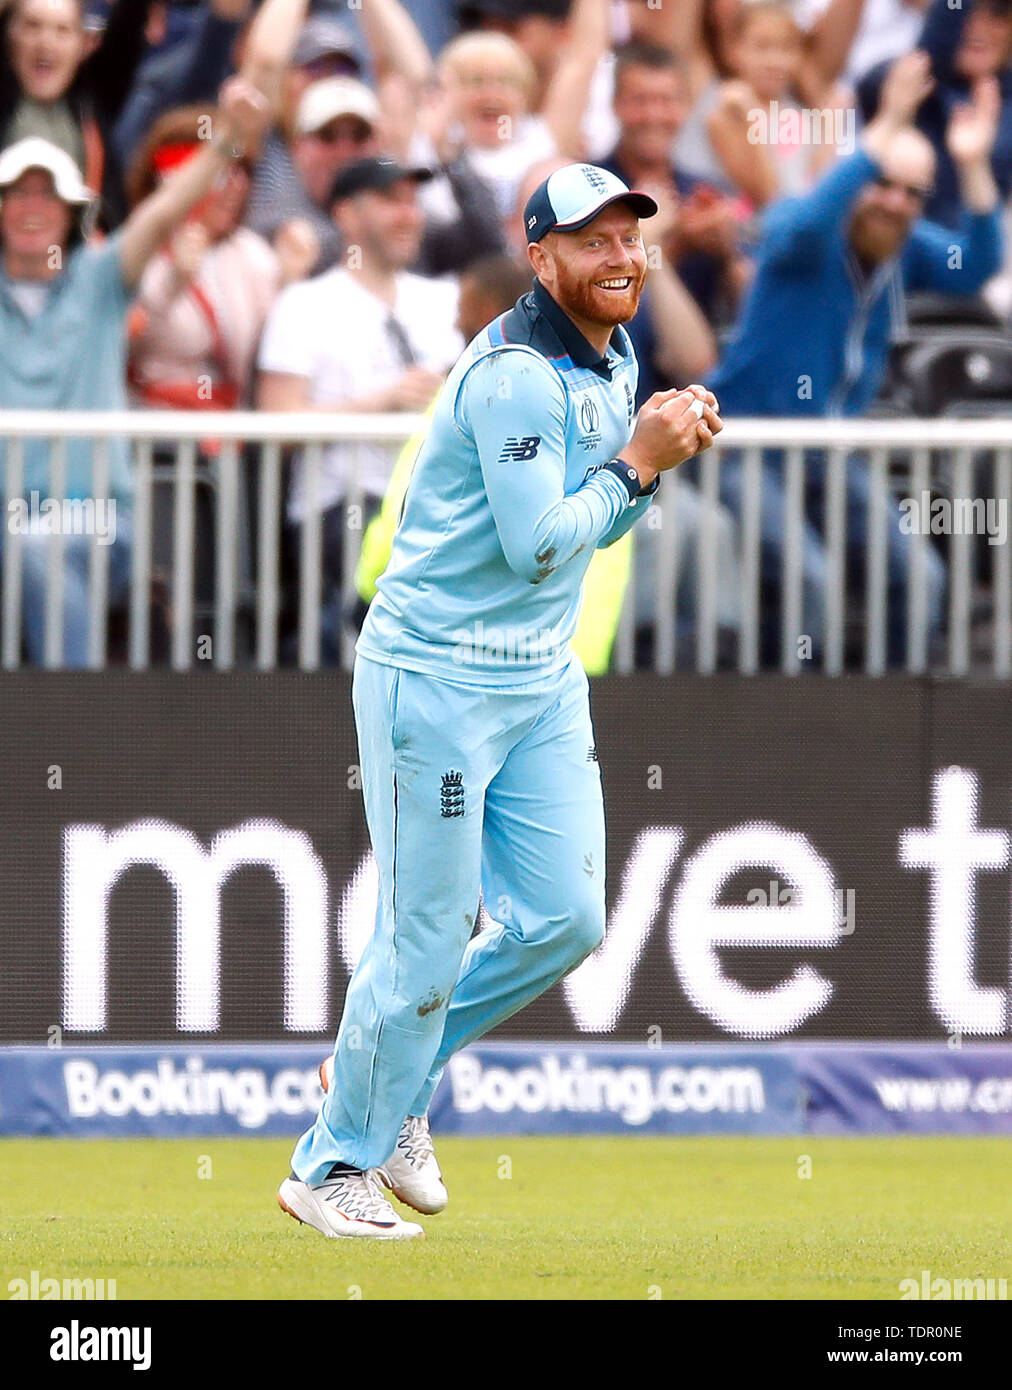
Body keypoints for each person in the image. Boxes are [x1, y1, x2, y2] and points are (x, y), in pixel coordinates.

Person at [276, 162, 722, 1239]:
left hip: (538, 679)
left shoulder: (611, 356)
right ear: (541, 258)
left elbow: (585, 527)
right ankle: (331, 1160)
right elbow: (535, 546)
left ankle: (396, 1087)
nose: (620, 257)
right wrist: (639, 463)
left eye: (631, 237)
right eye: (592, 241)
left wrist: (644, 458)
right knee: (426, 935)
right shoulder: (516, 372)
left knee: (566, 921)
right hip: (434, 676)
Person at [705, 51, 1004, 666]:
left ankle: (892, 731)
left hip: (828, 454)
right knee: (810, 582)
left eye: (912, 193)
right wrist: (885, 124)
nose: (894, 203)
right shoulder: (807, 229)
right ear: (857, 175)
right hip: (743, 448)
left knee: (922, 579)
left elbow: (975, 264)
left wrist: (972, 165)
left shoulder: (905, 247)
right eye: (882, 183)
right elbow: (808, 221)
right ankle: (796, 736)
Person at [0, 76, 270, 666]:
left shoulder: (99, 279)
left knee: (36, 547)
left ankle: (70, 723)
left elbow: (165, 210)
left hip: (96, 518)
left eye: (47, 196)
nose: (31, 209)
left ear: (72, 212)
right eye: (16, 194)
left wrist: (226, 137)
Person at [256, 153, 462, 664]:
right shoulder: (305, 304)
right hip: (345, 503)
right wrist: (382, 402)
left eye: (412, 201)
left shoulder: (444, 299)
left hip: (436, 503)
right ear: (346, 215)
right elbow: (275, 424)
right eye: (390, 201)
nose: (408, 215)